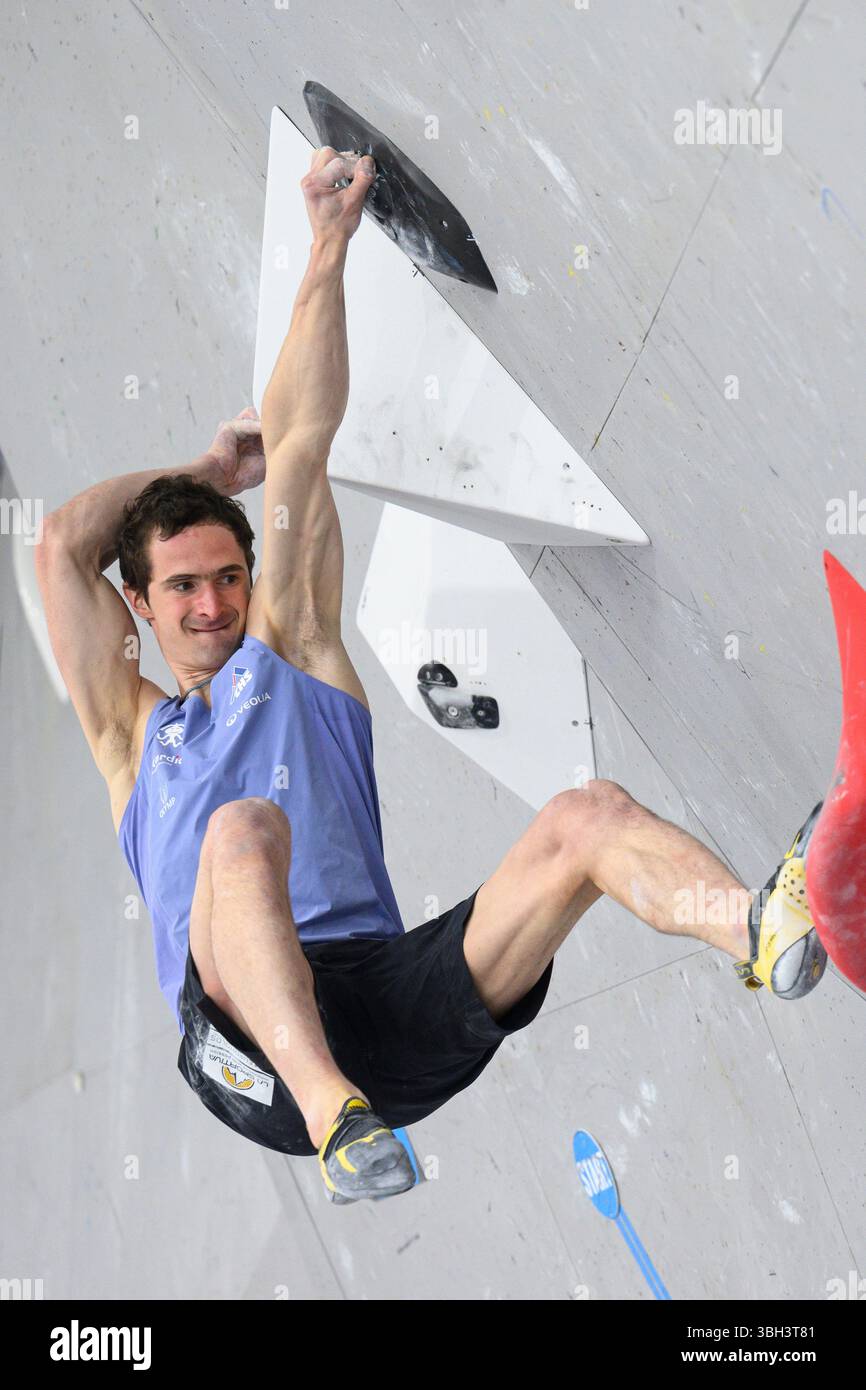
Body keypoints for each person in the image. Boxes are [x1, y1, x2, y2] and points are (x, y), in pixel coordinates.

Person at [34, 148, 827, 1206]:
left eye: (229, 577)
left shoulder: (295, 650)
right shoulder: (133, 743)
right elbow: (58, 547)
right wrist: (204, 472)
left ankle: (757, 928)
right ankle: (332, 1116)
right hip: (252, 1059)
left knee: (584, 816)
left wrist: (327, 247)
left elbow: (304, 438)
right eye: (181, 589)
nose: (213, 606)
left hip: (382, 1013)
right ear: (137, 604)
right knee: (238, 832)